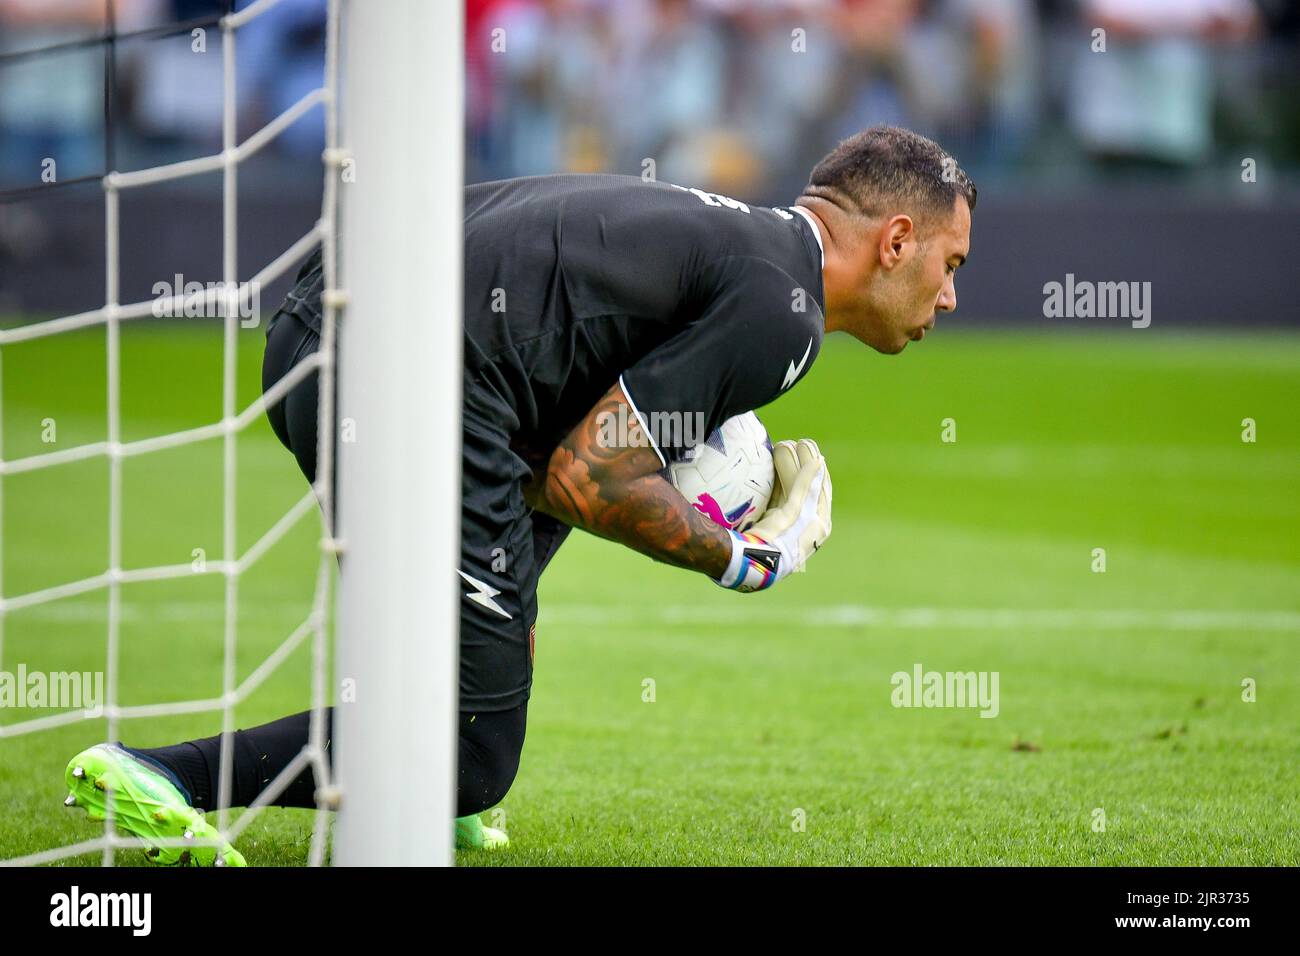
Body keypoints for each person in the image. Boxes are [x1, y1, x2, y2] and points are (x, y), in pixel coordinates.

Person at [60, 125, 974, 864]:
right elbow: (592, 477)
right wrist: (739, 559)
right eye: (952, 265)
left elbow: (569, 442)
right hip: (405, 375)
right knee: (472, 757)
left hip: (330, 327)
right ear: (897, 241)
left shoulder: (734, 239)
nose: (950, 297)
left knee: (491, 605)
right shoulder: (786, 313)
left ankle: (433, 774)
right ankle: (165, 774)